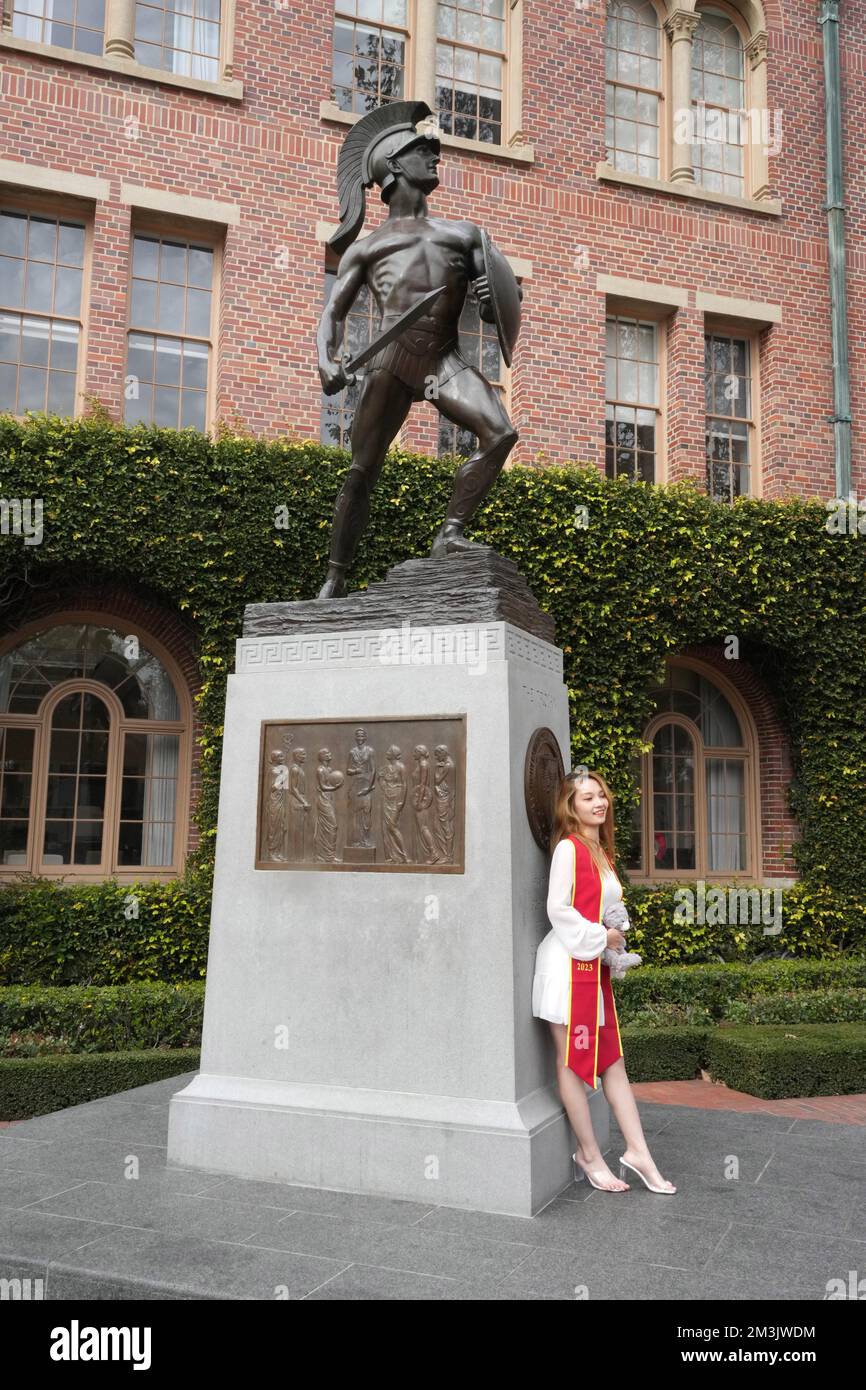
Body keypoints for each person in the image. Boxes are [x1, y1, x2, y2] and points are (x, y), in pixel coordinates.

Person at [532, 769, 677, 1195]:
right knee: (571, 1062)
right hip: (567, 966)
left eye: (601, 796)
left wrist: (613, 935)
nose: (598, 803)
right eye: (587, 798)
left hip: (593, 966)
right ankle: (589, 1154)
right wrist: (602, 937)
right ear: (570, 807)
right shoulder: (568, 849)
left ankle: (638, 1152)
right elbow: (557, 909)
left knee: (613, 1061)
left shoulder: (600, 851)